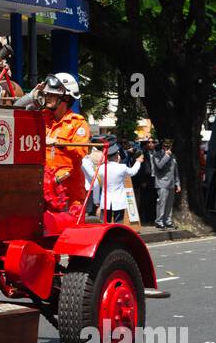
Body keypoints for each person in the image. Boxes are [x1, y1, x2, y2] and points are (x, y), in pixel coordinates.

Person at [16, 72, 91, 227]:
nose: (47, 97)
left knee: (73, 240)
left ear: (66, 98)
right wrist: (31, 97)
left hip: (69, 196)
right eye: (47, 94)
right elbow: (15, 111)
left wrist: (57, 142)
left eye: (52, 94)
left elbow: (81, 151)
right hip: (44, 191)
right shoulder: (42, 117)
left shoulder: (78, 123)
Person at [102, 142, 142, 224]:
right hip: (119, 201)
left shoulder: (101, 168)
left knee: (105, 224)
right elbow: (133, 172)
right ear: (117, 156)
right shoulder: (121, 167)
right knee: (118, 224)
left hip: (105, 201)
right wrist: (138, 162)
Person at [152, 140, 179, 229]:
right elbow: (159, 166)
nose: (166, 148)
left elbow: (175, 171)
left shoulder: (173, 155)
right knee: (162, 203)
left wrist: (178, 183)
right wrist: (166, 156)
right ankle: (159, 221)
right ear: (162, 146)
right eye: (165, 146)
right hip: (162, 182)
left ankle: (168, 221)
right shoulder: (157, 155)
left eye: (168, 146)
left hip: (171, 182)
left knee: (169, 203)